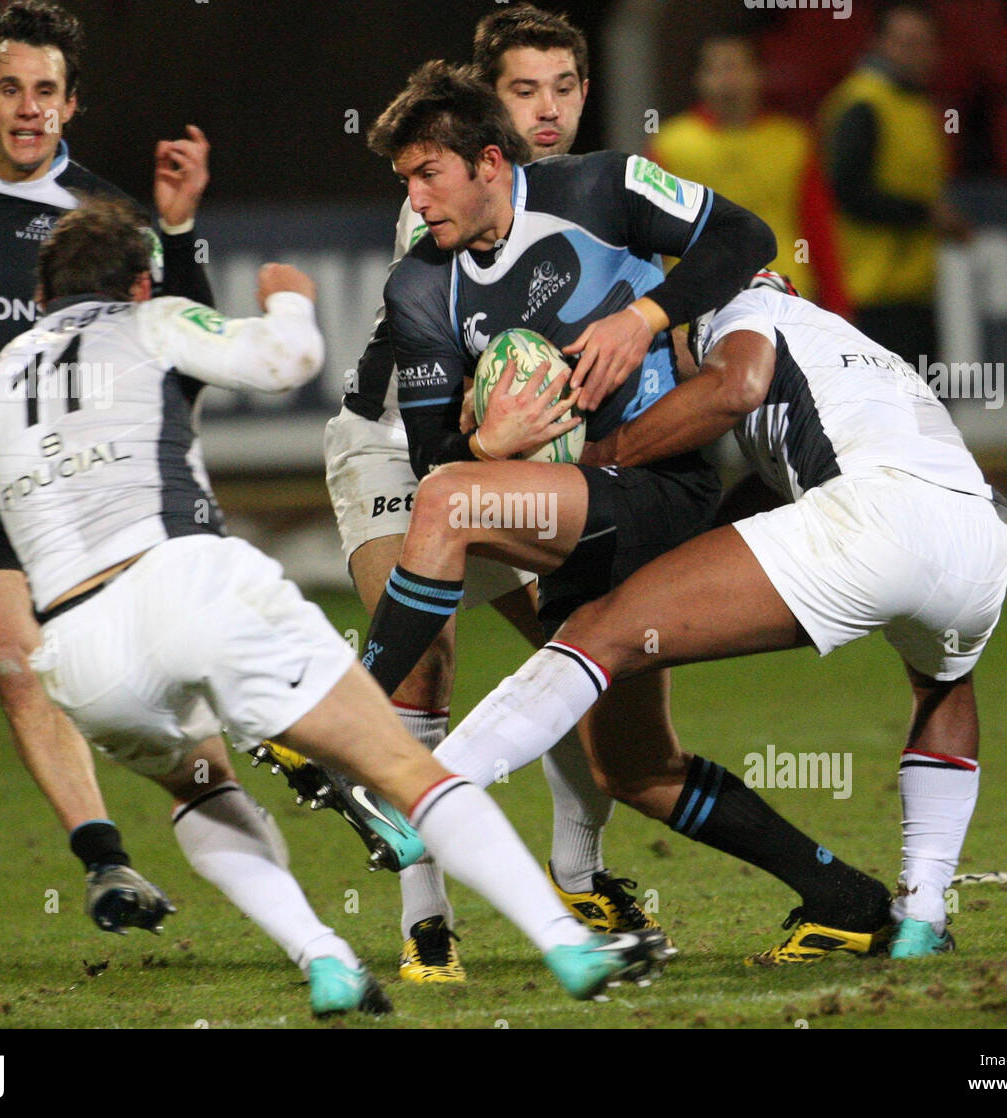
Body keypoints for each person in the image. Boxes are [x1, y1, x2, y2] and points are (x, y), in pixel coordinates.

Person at [0, 197, 673, 1015]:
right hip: (187, 583)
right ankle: (566, 944)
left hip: (78, 652)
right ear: (140, 285)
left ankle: (323, 954)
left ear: (39, 299)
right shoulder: (153, 322)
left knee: (201, 788)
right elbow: (287, 360)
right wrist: (290, 298)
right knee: (403, 766)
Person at [359, 63, 899, 963]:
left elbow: (745, 233)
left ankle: (359, 727)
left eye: (427, 175)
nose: (415, 200)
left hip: (661, 490)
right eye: (405, 182)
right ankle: (845, 897)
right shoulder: (420, 287)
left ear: (488, 162)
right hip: (577, 522)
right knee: (638, 769)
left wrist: (644, 317)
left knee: (450, 506)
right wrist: (493, 443)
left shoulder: (602, 187)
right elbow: (432, 460)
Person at [428, 270, 1007, 961]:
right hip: (980, 541)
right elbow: (750, 510)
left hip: (874, 518)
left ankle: (425, 794)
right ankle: (922, 913)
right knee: (942, 687)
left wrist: (602, 458)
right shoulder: (848, 352)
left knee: (595, 633)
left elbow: (730, 387)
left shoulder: (739, 305)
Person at [0, 1, 237, 928]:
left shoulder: (108, 218)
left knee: (155, 697)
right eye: (12, 89)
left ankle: (284, 817)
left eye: (48, 93)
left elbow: (190, 362)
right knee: (23, 660)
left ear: (71, 105)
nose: (30, 109)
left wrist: (179, 236)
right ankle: (107, 864)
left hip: (72, 497)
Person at [320, 4, 659, 984]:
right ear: (478, 112)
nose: (544, 111)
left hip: (498, 454)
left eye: (561, 89)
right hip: (393, 447)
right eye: (521, 91)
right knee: (422, 660)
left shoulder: (575, 199)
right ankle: (425, 917)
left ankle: (576, 868)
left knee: (582, 636)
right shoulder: (451, 197)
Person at [648, 32, 851, 318]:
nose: (727, 81)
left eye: (736, 67)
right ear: (698, 79)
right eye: (715, 69)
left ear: (759, 75)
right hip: (697, 305)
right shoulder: (671, 145)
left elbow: (818, 228)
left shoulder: (793, 141)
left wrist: (838, 306)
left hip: (786, 300)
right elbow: (653, 238)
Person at [819, 0, 970, 369]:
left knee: (923, 407)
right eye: (905, 42)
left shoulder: (916, 105)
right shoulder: (862, 104)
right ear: (879, 44)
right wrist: (926, 215)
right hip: (870, 292)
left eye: (923, 43)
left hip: (914, 289)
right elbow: (848, 192)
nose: (915, 54)